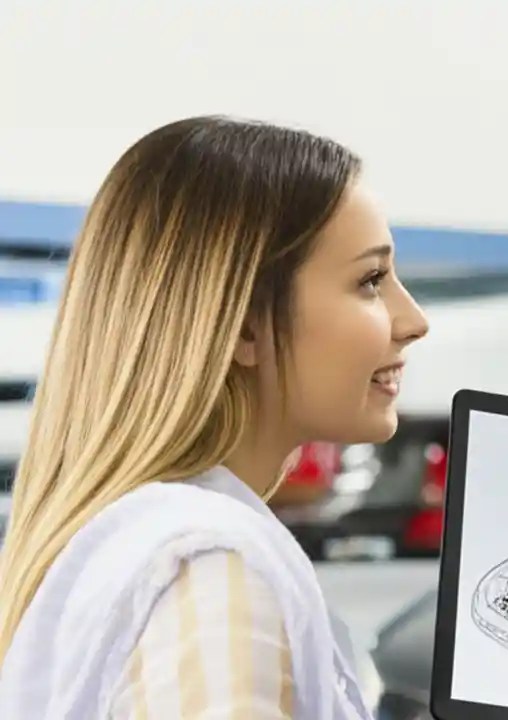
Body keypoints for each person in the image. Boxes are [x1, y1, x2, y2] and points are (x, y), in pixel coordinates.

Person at [0, 116, 429, 718]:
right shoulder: (210, 569)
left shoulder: (143, 548)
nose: (412, 320)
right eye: (371, 281)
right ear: (246, 324)